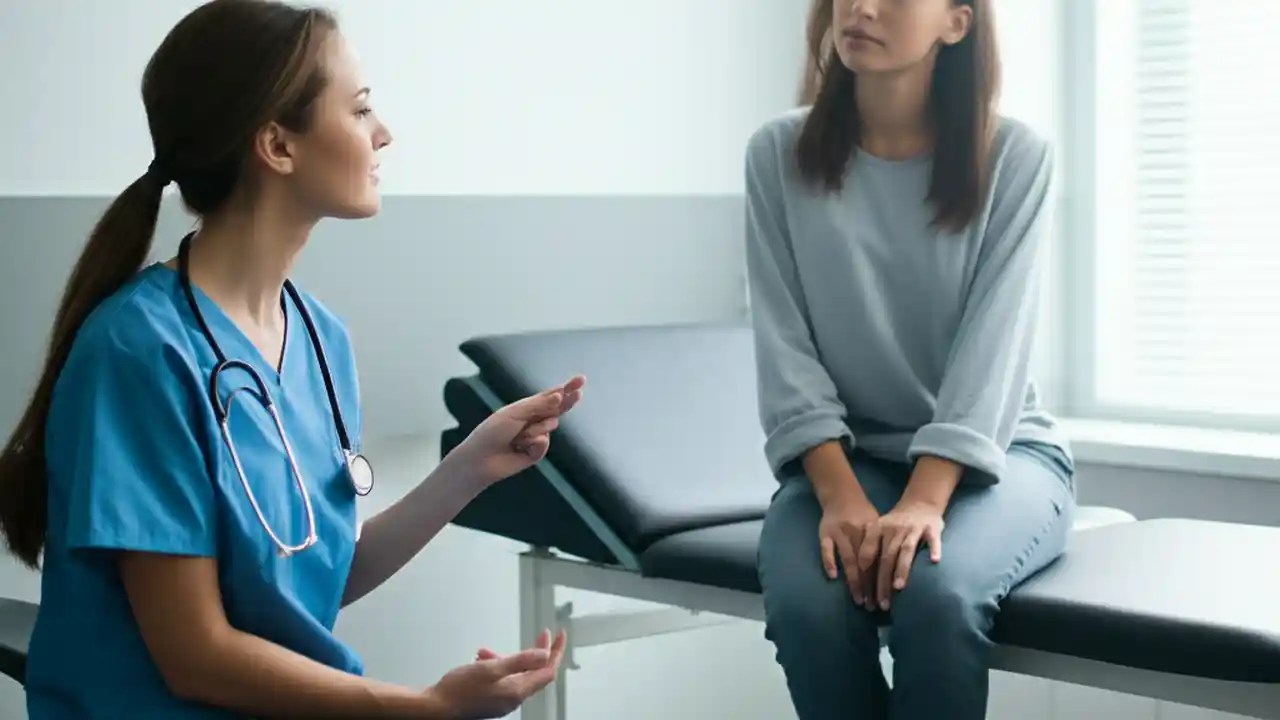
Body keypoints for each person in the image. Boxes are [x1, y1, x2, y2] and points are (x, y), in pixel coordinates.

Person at [0, 1, 586, 717]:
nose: (383, 133)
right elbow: (194, 656)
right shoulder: (139, 352)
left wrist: (469, 468)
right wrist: (424, 707)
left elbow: (311, 579)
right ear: (277, 145)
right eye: (360, 109)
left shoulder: (319, 339)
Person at [746, 1, 1076, 719]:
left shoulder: (1016, 156)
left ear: (956, 23)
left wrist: (924, 502)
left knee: (937, 596)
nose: (861, 8)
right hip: (848, 459)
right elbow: (782, 345)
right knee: (808, 607)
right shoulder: (776, 152)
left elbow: (993, 351)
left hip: (998, 455)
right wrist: (840, 497)